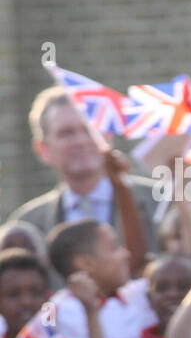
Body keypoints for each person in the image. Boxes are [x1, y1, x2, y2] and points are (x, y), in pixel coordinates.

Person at [13, 88, 158, 256]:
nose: (81, 141)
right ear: (43, 149)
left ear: (108, 137)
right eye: (66, 133)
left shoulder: (158, 203)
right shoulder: (27, 225)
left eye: (89, 130)